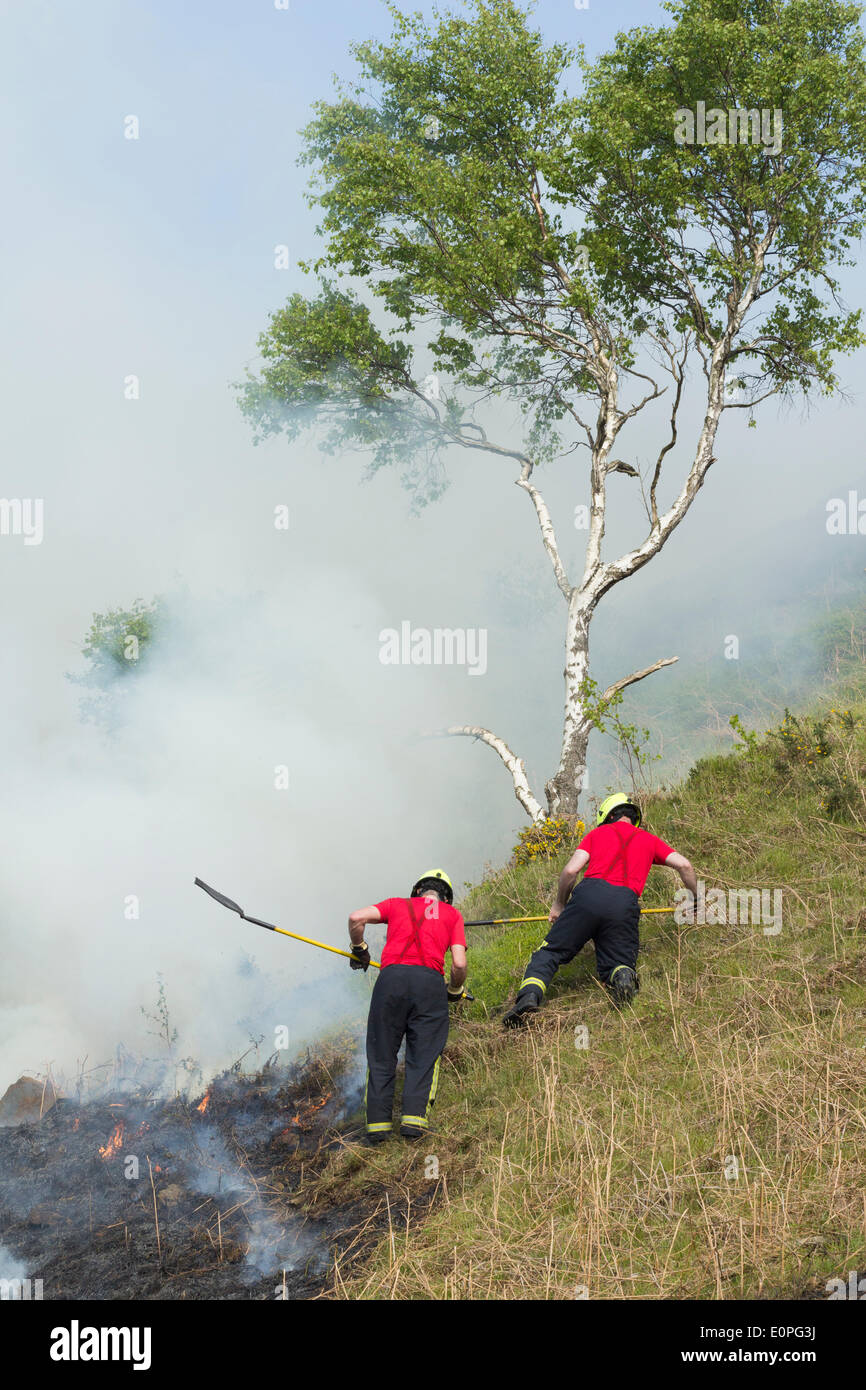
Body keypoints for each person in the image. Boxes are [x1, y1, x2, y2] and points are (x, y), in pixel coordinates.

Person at [503, 794, 697, 1025]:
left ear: (608, 815)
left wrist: (559, 904)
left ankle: (528, 999)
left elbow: (570, 872)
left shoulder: (597, 834)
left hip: (588, 896)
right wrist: (696, 900)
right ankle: (623, 977)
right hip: (625, 903)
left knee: (550, 953)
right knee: (618, 962)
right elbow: (684, 864)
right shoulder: (650, 840)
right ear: (634, 817)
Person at [347, 869, 468, 1143]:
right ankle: (414, 1125)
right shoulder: (452, 915)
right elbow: (459, 964)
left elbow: (356, 918)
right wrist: (455, 990)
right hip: (430, 985)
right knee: (424, 1055)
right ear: (446, 897)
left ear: (417, 891)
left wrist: (360, 949)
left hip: (390, 982)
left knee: (381, 1053)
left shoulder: (396, 905)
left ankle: (377, 1129)